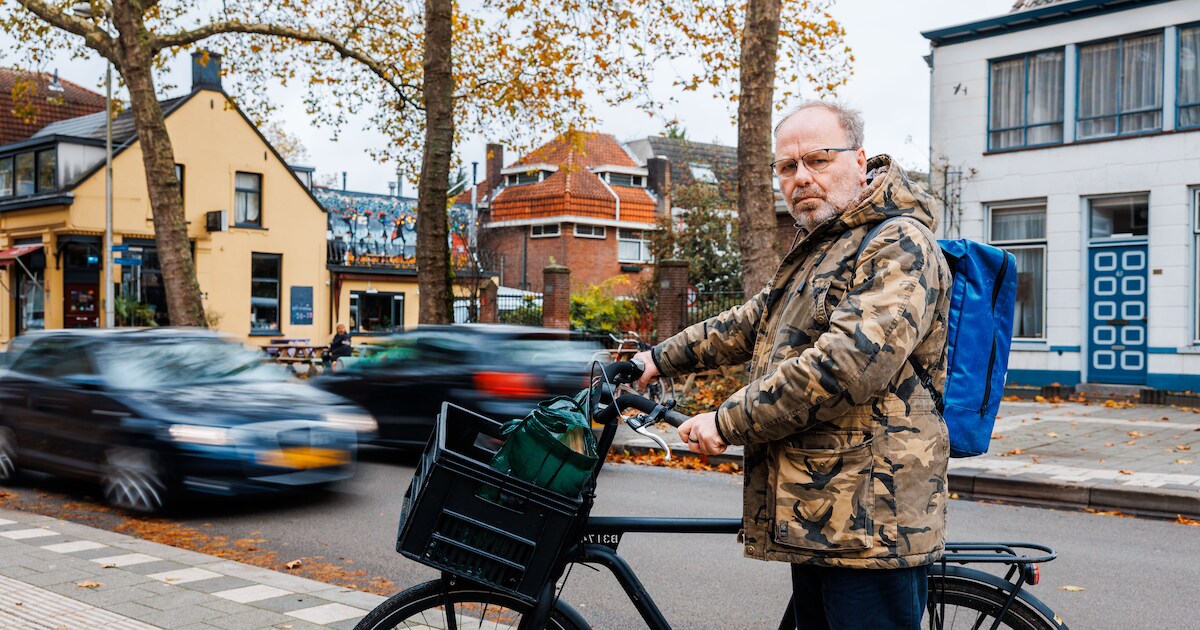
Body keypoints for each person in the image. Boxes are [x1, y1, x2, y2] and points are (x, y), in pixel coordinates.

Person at [633, 101, 952, 630]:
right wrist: (655, 360)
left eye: (819, 159)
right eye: (787, 166)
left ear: (860, 160)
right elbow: (752, 320)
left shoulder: (898, 242)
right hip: (823, 511)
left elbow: (846, 365)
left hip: (870, 520)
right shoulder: (824, 246)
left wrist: (724, 420)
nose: (801, 177)